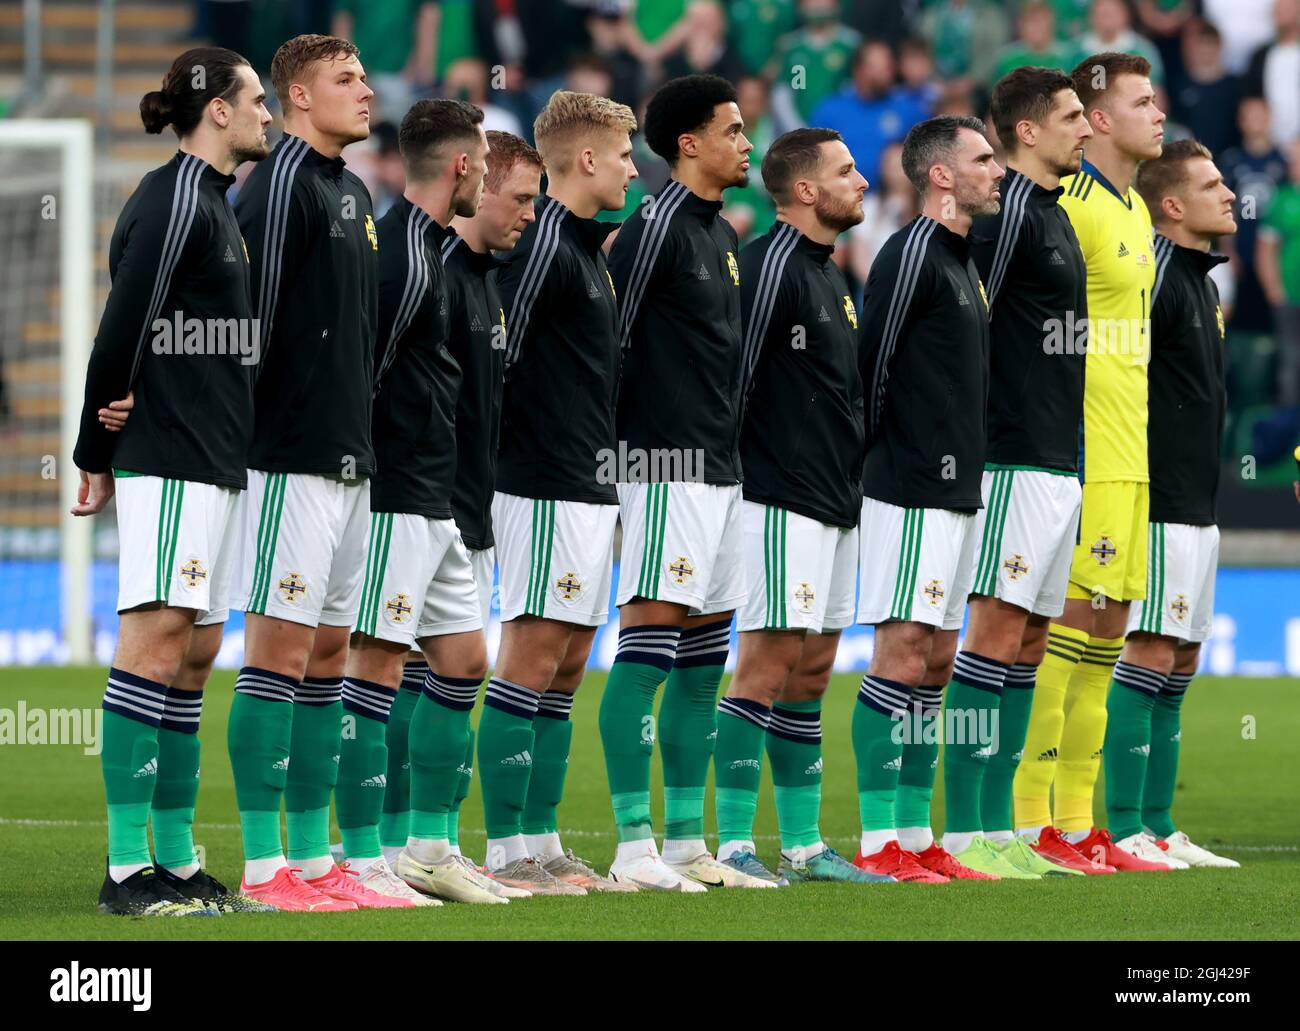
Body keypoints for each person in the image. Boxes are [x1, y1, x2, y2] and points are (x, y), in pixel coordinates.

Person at [73, 46, 275, 916]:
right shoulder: (175, 200)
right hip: (171, 459)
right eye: (258, 100)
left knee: (192, 657)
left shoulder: (215, 203)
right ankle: (127, 871)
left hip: (215, 462)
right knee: (155, 644)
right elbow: (120, 329)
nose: (268, 114)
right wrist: (94, 450)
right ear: (218, 112)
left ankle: (179, 860)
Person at [229, 34, 387, 910]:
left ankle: (315, 858)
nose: (365, 91)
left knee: (329, 653)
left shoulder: (353, 189)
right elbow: (246, 317)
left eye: (364, 76)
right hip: (287, 456)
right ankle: (262, 868)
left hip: (348, 457)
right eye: (345, 79)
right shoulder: (281, 182)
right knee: (279, 650)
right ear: (296, 95)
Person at [601, 74, 766, 891]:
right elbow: (611, 351)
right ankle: (632, 846)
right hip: (663, 467)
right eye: (733, 130)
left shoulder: (726, 237)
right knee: (650, 647)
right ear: (688, 144)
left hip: (722, 474)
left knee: (706, 661)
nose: (748, 143)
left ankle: (682, 841)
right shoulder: (650, 231)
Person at [712, 127, 889, 886]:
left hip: (835, 499)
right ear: (807, 191)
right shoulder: (770, 265)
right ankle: (728, 845)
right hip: (778, 494)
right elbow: (737, 381)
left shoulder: (829, 272)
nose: (864, 183)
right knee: (765, 661)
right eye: (847, 172)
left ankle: (806, 845)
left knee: (813, 669)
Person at [336, 98, 502, 907]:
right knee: (374, 662)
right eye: (484, 162)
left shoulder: (434, 250)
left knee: (465, 662)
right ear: (463, 166)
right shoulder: (399, 251)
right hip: (397, 493)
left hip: (439, 498)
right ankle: (362, 855)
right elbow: (363, 375)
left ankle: (429, 847)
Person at [1014, 52, 1172, 872]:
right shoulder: (1064, 204)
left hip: (1130, 448)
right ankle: (1029, 817)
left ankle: (1078, 824)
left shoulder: (1137, 211)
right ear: (1100, 118)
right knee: (1059, 633)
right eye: (1145, 103)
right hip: (1077, 449)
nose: (1161, 116)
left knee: (1107, 637)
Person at [482, 90, 639, 895]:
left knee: (570, 664)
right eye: (621, 156)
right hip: (541, 483)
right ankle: (507, 850)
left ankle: (541, 838)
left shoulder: (587, 252)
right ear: (584, 160)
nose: (631, 169)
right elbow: (496, 358)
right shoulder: (542, 245)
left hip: (588, 484)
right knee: (531, 657)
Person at [849, 115, 1003, 884]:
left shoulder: (963, 259)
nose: (996, 169)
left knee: (938, 661)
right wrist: (874, 464)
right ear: (940, 174)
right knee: (902, 652)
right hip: (909, 488)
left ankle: (915, 831)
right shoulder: (909, 253)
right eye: (982, 158)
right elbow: (869, 368)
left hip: (956, 493)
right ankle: (880, 841)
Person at [954, 66, 1097, 878]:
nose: (1087, 127)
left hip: (1056, 458)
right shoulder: (1006, 216)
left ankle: (1003, 828)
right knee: (996, 634)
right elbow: (975, 320)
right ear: (1027, 131)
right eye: (1073, 115)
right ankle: (970, 830)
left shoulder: (1055, 215)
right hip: (1009, 456)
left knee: (1032, 641)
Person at [1108, 139, 1240, 869]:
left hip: (1200, 504)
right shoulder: (1154, 276)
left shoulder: (1203, 283)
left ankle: (1159, 824)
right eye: (1212, 183)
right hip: (1155, 501)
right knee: (1150, 649)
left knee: (1182, 657)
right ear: (1172, 205)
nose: (1230, 195)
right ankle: (1125, 825)